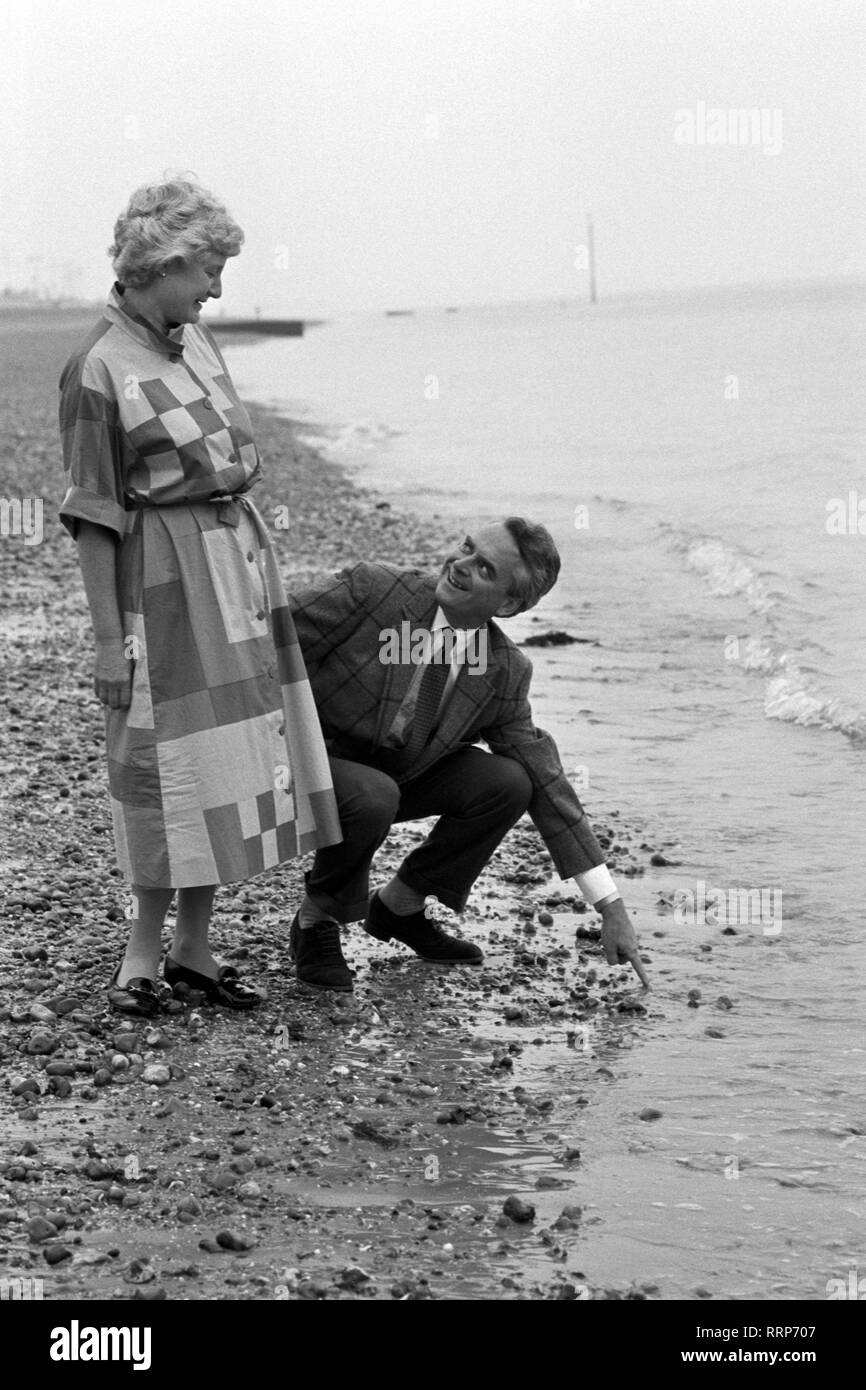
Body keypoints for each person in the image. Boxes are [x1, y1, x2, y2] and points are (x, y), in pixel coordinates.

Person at [58, 176, 342, 1017]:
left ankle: (194, 947)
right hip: (161, 582)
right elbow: (94, 516)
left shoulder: (197, 340)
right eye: (209, 269)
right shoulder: (97, 368)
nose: (217, 287)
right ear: (167, 261)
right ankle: (140, 956)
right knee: (157, 765)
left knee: (227, 759)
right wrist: (110, 643)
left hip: (233, 571)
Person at [287, 518, 648, 992]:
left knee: (509, 782)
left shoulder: (503, 669)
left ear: (511, 603)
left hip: (387, 781)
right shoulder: (374, 591)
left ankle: (399, 907)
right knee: (375, 793)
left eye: (483, 568)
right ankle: (316, 921)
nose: (459, 565)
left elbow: (547, 782)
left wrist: (610, 906)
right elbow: (269, 637)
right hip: (296, 761)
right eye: (465, 548)